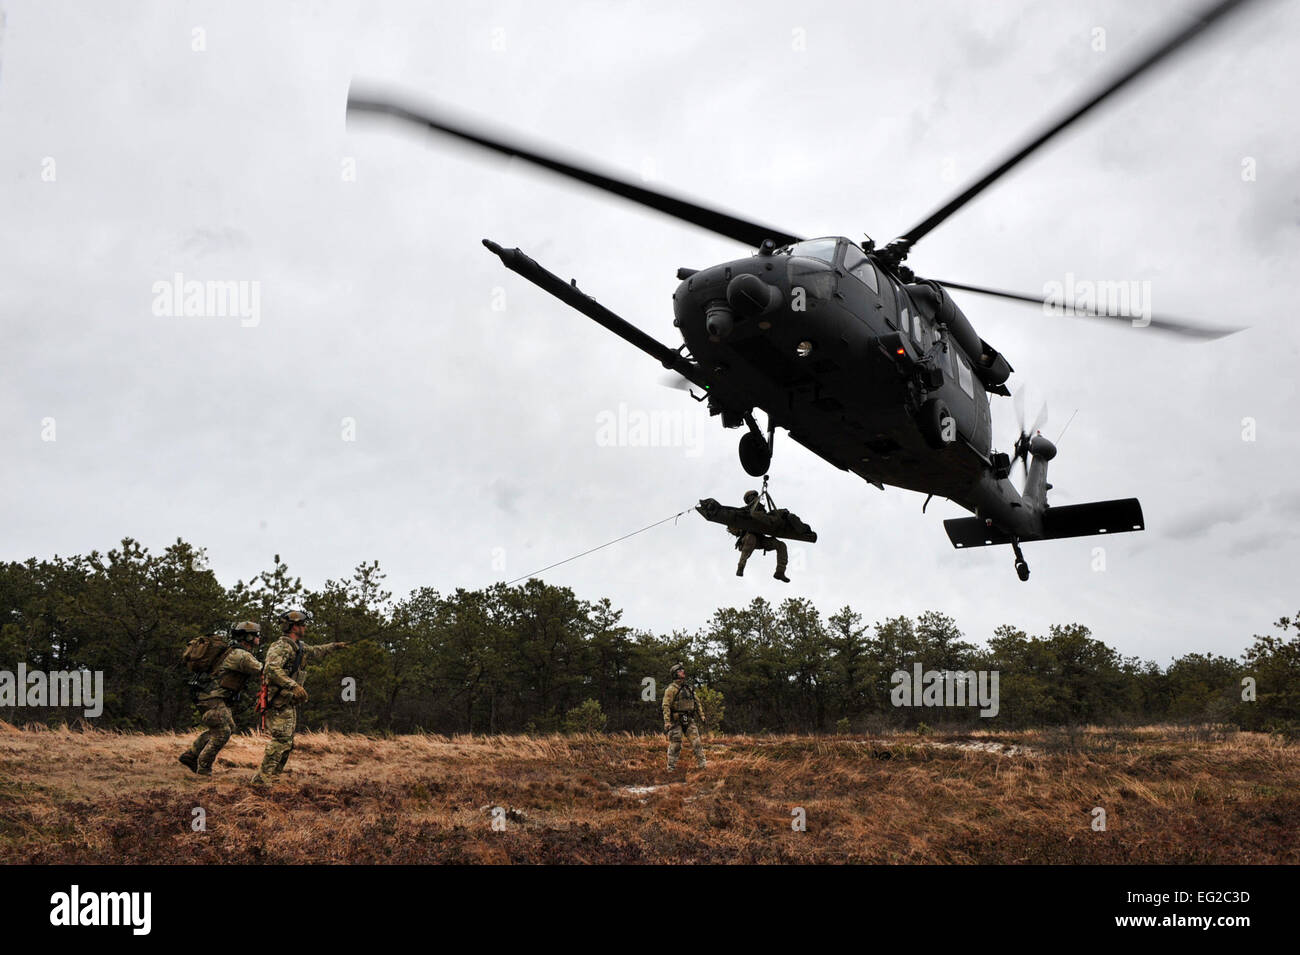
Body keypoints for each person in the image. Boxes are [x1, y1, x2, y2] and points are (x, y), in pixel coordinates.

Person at [250, 610, 347, 786]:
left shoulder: (298, 647)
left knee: (287, 742)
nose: (306, 627)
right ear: (295, 627)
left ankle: (273, 776)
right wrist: (293, 685)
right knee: (280, 740)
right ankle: (261, 778)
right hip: (278, 701)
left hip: (288, 702)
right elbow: (271, 669)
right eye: (303, 625)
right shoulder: (281, 647)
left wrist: (334, 646)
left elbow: (316, 651)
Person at [179, 622, 264, 776]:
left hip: (206, 696)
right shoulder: (241, 655)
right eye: (256, 634)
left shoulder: (233, 651)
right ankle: (203, 770)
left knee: (228, 727)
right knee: (222, 732)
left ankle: (192, 754)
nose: (259, 637)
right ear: (249, 636)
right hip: (212, 698)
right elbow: (263, 670)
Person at [732, 489, 790, 582]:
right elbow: (733, 522)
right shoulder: (745, 511)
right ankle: (741, 566)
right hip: (748, 538)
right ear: (748, 500)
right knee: (751, 538)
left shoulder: (763, 512)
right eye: (752, 497)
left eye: (755, 496)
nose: (755, 498)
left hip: (761, 540)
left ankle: (780, 572)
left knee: (781, 545)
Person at [661, 662, 707, 770]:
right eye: (680, 671)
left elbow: (697, 703)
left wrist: (702, 716)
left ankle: (703, 767)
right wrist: (667, 721)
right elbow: (666, 706)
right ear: (675, 674)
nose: (683, 672)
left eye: (682, 670)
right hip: (676, 721)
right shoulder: (671, 690)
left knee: (697, 743)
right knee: (675, 745)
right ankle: (671, 769)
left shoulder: (688, 688)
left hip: (689, 719)